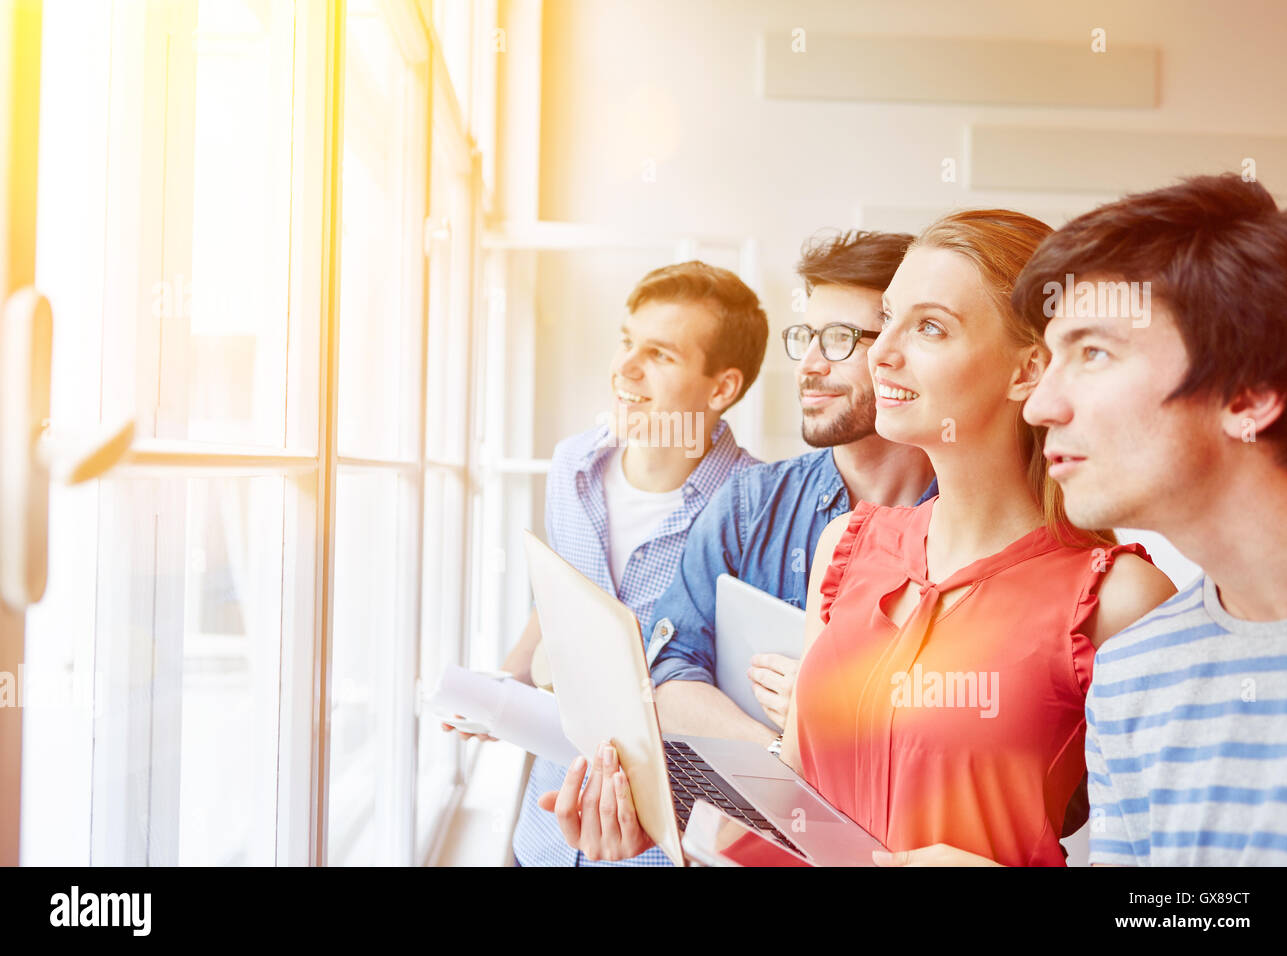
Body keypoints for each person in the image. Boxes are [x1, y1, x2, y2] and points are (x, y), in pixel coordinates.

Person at [542, 210, 1176, 866]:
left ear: (1027, 371)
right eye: (889, 319)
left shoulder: (1118, 598)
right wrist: (661, 821)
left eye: (928, 327)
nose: (882, 353)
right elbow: (801, 807)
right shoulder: (846, 548)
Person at [444, 260, 768, 867]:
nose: (624, 368)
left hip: (658, 848)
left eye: (660, 354)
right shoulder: (573, 468)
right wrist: (505, 689)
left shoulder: (758, 512)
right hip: (541, 834)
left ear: (721, 388)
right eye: (626, 342)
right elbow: (558, 601)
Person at [1017, 174, 1287, 866]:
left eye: (1094, 353)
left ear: (1250, 392)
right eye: (1052, 358)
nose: (1039, 406)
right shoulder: (1134, 674)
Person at [646, 230, 936, 748]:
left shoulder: (972, 527)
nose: (809, 366)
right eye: (806, 337)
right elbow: (670, 673)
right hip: (755, 821)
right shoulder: (747, 505)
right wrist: (788, 757)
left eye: (840, 339)